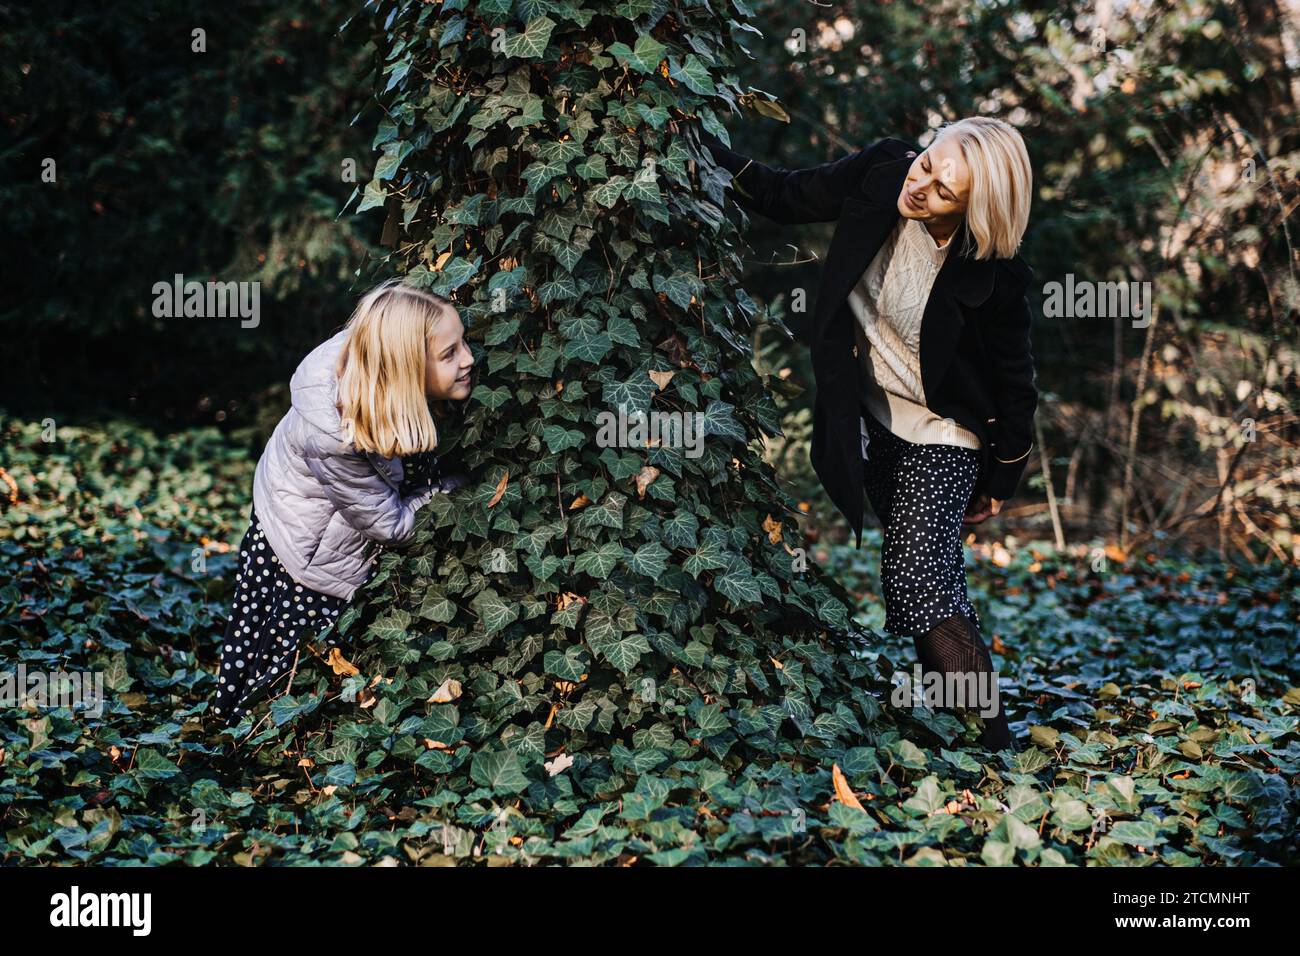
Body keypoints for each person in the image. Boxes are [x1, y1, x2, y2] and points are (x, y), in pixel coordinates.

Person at [698, 117, 1038, 751]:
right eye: (928, 163)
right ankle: (957, 722)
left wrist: (999, 481)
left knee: (918, 577)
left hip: (944, 434)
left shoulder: (996, 278)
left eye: (945, 190)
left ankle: (994, 746)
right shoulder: (884, 169)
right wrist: (694, 136)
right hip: (869, 419)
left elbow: (1018, 389)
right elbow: (779, 194)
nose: (922, 185)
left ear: (976, 209)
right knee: (926, 580)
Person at [210, 278, 475, 724]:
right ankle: (241, 727)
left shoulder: (382, 362)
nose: (468, 358)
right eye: (449, 354)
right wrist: (451, 488)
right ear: (406, 368)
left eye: (462, 342)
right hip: (305, 543)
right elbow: (387, 525)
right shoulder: (337, 432)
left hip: (323, 512)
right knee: (284, 655)